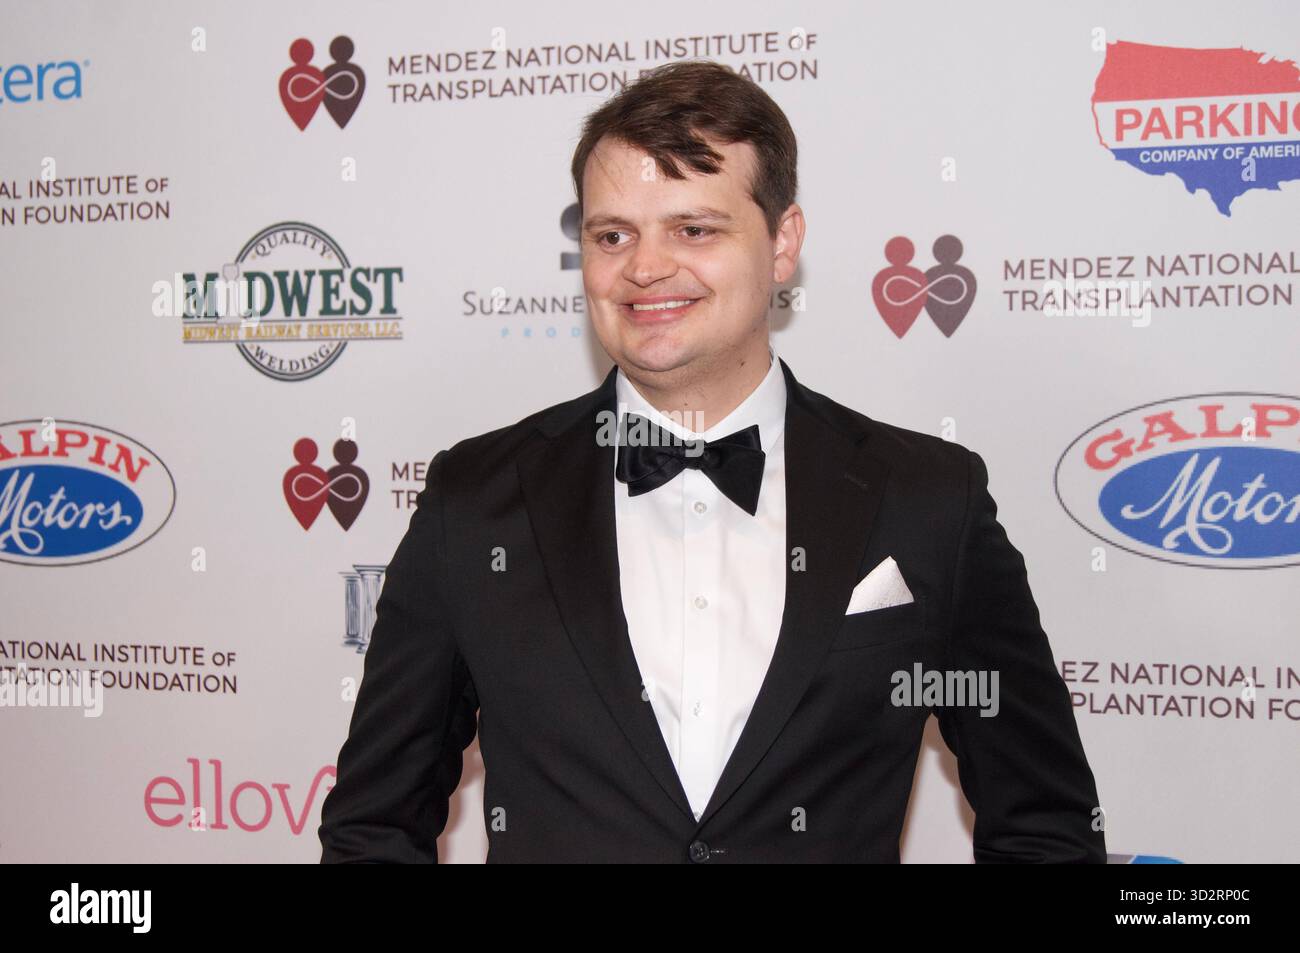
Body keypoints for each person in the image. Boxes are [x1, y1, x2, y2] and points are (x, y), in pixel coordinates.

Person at [318, 59, 1105, 863]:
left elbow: (1045, 824)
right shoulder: (474, 499)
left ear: (783, 241)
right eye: (612, 234)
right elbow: (375, 824)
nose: (645, 267)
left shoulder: (932, 500)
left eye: (694, 229)